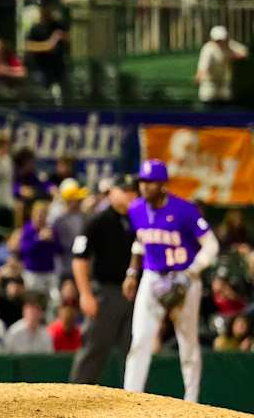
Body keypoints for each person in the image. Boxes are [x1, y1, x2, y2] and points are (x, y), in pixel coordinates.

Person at [122, 160, 219, 402]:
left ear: (162, 184)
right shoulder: (136, 209)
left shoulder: (185, 210)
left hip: (184, 278)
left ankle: (192, 400)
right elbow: (140, 241)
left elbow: (211, 245)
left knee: (187, 344)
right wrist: (132, 272)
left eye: (150, 182)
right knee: (140, 339)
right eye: (142, 181)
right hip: (152, 276)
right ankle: (130, 398)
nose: (144, 186)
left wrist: (191, 272)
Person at [69, 175, 139, 384]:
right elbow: (79, 258)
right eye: (124, 190)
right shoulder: (97, 221)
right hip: (106, 293)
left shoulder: (140, 220)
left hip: (136, 294)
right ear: (111, 192)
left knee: (135, 351)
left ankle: (136, 404)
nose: (129, 194)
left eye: (132, 190)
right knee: (94, 349)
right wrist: (85, 294)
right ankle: (76, 398)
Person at [195, 25, 248, 104]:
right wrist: (200, 76)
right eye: (217, 40)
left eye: (222, 40)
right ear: (212, 39)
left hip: (225, 90)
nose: (220, 42)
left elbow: (244, 53)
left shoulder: (231, 45)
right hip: (209, 91)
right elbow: (202, 70)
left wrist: (231, 55)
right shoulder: (207, 49)